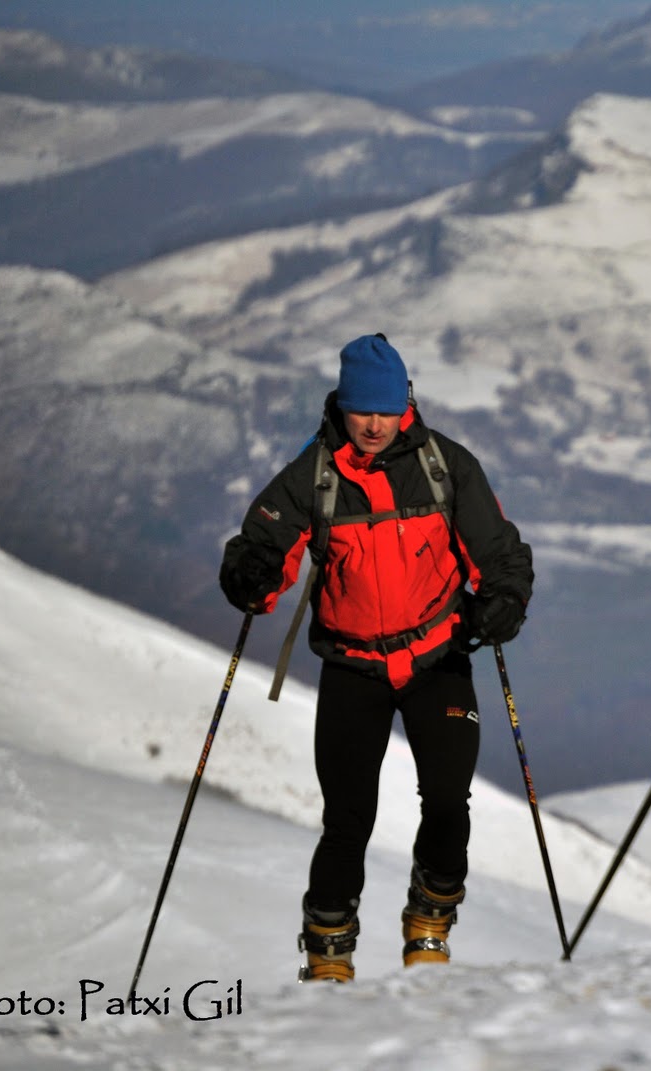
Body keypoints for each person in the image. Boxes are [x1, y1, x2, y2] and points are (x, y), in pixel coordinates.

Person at [220, 334, 533, 980]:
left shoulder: (448, 467)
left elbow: (501, 552)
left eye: (385, 411)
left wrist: (501, 602)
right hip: (352, 667)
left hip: (436, 656)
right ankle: (327, 949)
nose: (373, 423)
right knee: (348, 816)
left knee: (447, 800)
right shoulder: (315, 474)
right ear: (343, 404)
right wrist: (249, 574)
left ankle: (430, 917)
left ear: (405, 405)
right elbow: (260, 542)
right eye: (362, 410)